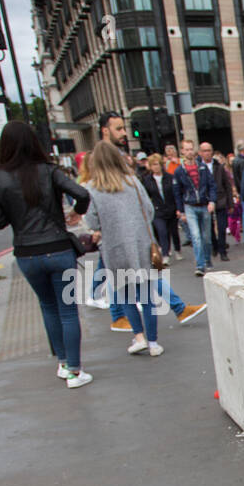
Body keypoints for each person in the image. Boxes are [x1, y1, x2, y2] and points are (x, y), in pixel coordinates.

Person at [0, 120, 91, 387]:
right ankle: (75, 371)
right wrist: (75, 212)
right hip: (57, 248)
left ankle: (63, 363)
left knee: (48, 307)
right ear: (33, 142)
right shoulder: (49, 171)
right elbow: (81, 193)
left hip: (26, 254)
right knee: (68, 311)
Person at [82, 141, 165, 357]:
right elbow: (149, 211)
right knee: (146, 296)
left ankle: (139, 337)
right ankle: (154, 343)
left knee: (126, 295)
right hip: (141, 245)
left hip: (114, 248)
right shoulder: (133, 182)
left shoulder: (91, 188)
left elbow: (91, 221)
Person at [172, 138, 216, 275]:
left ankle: (207, 259)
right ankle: (200, 265)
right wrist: (181, 210)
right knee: (196, 236)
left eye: (191, 149)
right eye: (187, 149)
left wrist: (212, 201)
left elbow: (212, 185)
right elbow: (177, 192)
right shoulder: (179, 171)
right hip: (190, 205)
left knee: (207, 237)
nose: (189, 152)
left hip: (204, 204)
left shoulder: (202, 167)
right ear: (182, 151)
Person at [200, 142, 234, 263]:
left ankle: (222, 250)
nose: (207, 153)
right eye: (204, 151)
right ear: (200, 153)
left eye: (209, 150)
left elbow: (227, 185)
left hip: (220, 200)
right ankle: (214, 246)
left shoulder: (219, 167)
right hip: (205, 201)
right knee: (208, 227)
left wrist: (230, 203)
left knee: (221, 226)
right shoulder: (198, 167)